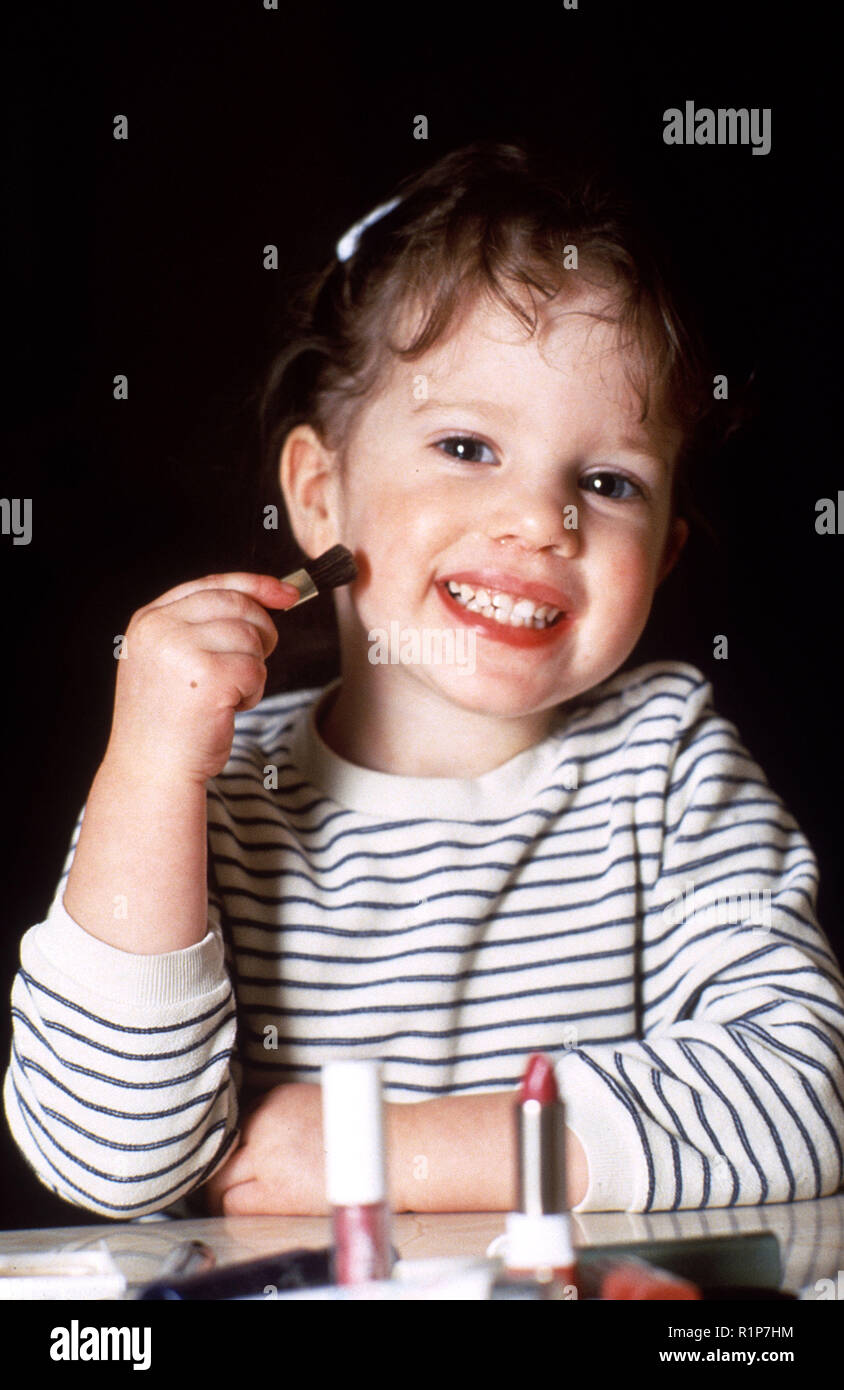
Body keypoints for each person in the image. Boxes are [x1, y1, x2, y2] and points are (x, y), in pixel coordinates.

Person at [6, 141, 843, 1220]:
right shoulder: (204, 792)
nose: (543, 519)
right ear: (320, 496)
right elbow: (106, 1160)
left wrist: (380, 1154)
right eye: (466, 445)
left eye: (606, 479)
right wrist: (150, 771)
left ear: (665, 556)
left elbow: (804, 1096)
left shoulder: (669, 765)